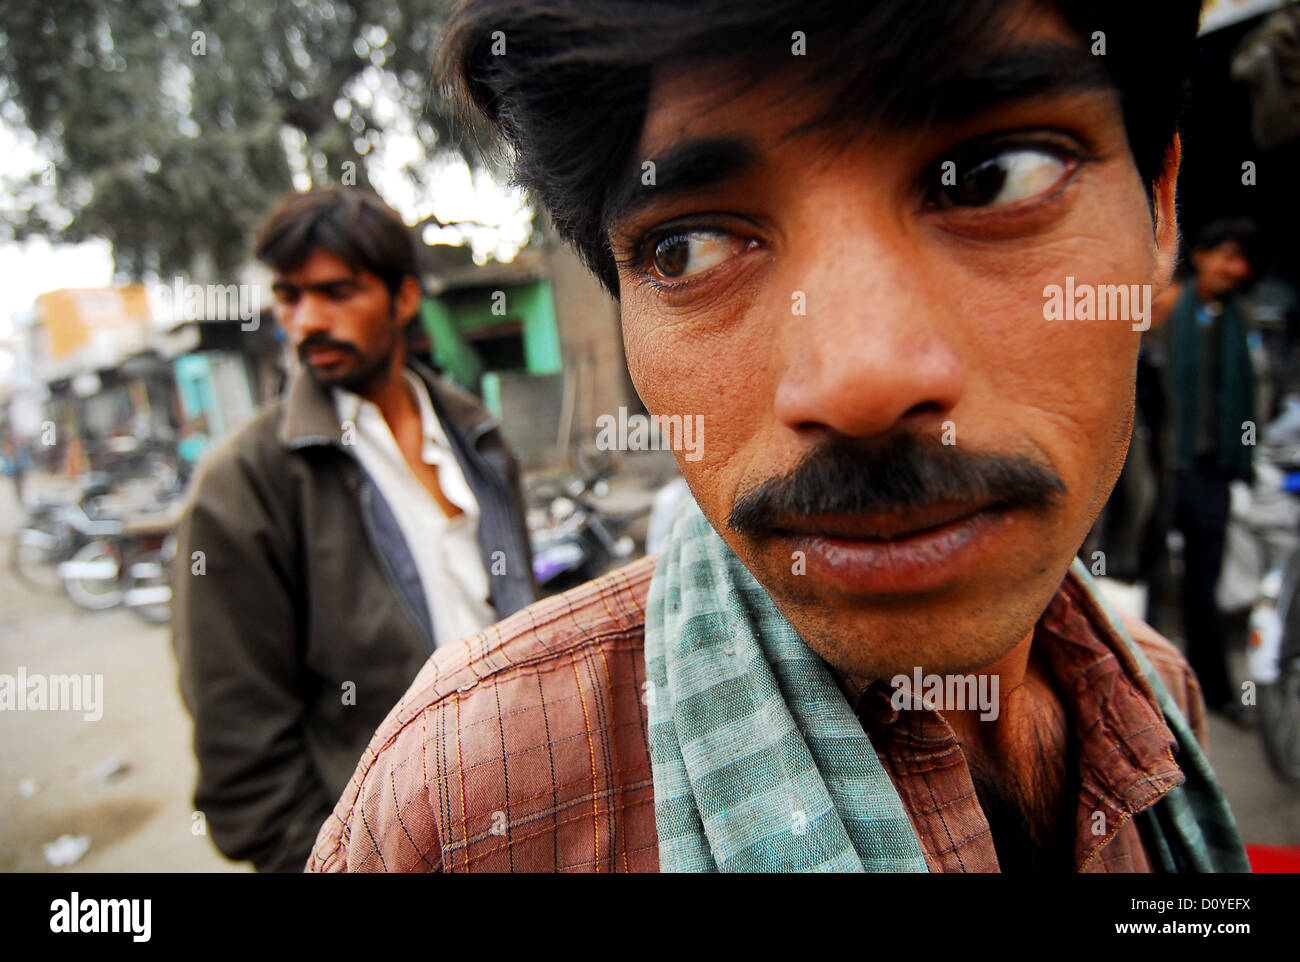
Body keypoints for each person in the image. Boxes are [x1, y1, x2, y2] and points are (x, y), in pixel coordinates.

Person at [310, 0, 1248, 873]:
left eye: (996, 177)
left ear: (1161, 206)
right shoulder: (459, 814)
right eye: (690, 246)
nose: (859, 384)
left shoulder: (1161, 699)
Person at [171, 187, 535, 872]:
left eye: (337, 293)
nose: (307, 321)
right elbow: (244, 763)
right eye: (290, 296)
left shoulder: (477, 440)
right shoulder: (245, 486)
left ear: (402, 299)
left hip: (523, 821)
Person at [1162, 219, 1259, 720]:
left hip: (1209, 472)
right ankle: (1150, 699)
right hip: (1158, 470)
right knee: (1147, 581)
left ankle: (1214, 692)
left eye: (1240, 258)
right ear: (1198, 255)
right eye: (1225, 254)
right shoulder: (1164, 308)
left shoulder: (1238, 319)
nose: (1234, 268)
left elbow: (1250, 395)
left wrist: (1242, 461)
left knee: (1205, 584)